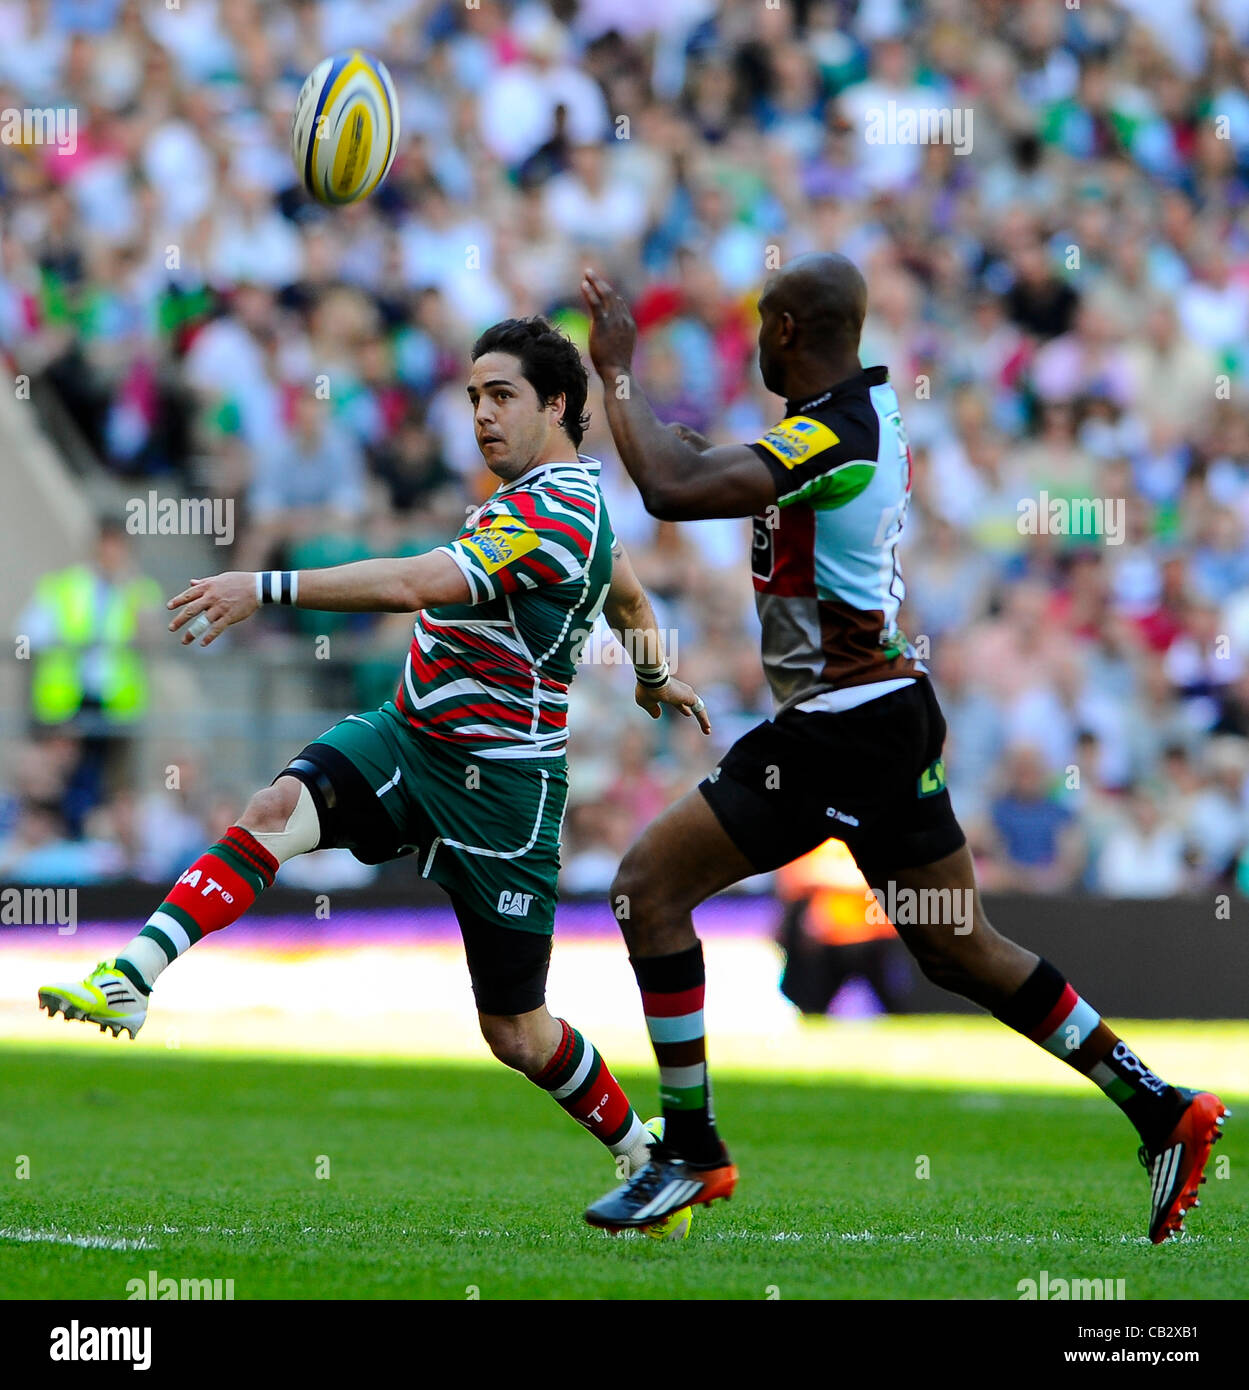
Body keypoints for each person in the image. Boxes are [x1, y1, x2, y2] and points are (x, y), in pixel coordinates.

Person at [576, 256, 1227, 1245]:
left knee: (648, 887)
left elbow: (669, 487)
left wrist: (615, 373)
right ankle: (1159, 1105)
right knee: (957, 945)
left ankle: (692, 1149)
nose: (752, 338)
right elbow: (698, 461)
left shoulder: (836, 432)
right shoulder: (849, 421)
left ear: (788, 329)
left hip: (840, 726)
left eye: (762, 322)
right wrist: (653, 412)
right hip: (882, 715)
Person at [39, 317, 711, 1211]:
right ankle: (132, 976)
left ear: (557, 405)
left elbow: (412, 586)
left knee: (515, 1030)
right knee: (276, 808)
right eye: (473, 396)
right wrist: (656, 675)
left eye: (501, 395)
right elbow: (626, 596)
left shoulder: (555, 511)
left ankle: (640, 1152)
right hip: (409, 737)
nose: (480, 414)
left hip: (503, 791)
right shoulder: (554, 503)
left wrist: (262, 585)